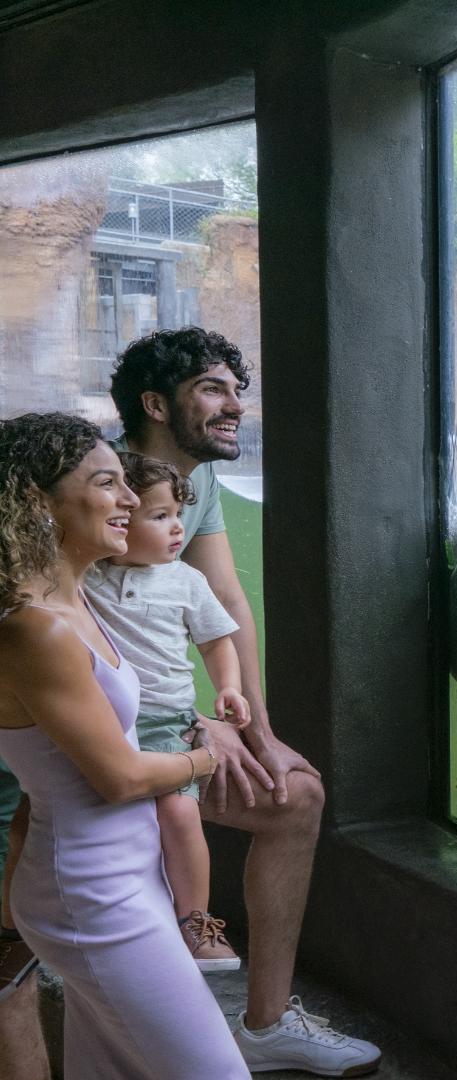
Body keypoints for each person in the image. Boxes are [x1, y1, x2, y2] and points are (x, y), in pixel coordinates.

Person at [103, 326, 381, 1074]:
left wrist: (257, 731)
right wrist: (196, 727)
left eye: (237, 390)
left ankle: (265, 1024)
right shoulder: (101, 482)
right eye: (213, 390)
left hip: (152, 735)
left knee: (296, 796)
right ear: (156, 404)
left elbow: (221, 599)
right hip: (69, 742)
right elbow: (67, 621)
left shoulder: (196, 487)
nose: (235, 406)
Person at [0, 411, 250, 1078]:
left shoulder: (73, 605)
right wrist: (207, 755)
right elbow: (118, 777)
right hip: (93, 893)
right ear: (38, 502)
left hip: (116, 876)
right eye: (108, 483)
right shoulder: (36, 630)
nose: (132, 501)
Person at [83, 450, 251, 972]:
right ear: (119, 520)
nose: (178, 528)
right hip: (103, 720)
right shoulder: (86, 576)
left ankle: (195, 921)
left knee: (179, 814)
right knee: (121, 823)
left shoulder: (185, 581)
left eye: (179, 514)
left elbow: (218, 639)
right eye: (160, 517)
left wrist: (229, 688)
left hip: (165, 721)